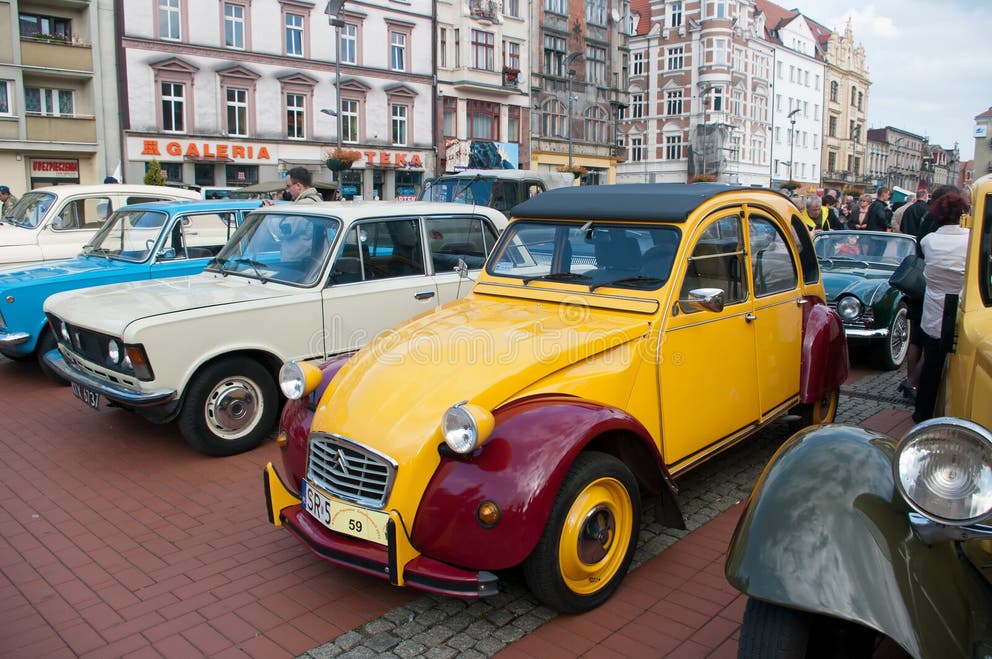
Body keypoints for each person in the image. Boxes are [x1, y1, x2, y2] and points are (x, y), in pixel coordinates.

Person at [912, 189, 971, 422]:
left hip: (935, 307)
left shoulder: (929, 241)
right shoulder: (969, 240)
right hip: (960, 304)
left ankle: (923, 412)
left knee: (932, 364)